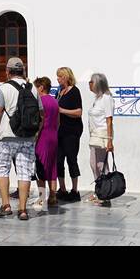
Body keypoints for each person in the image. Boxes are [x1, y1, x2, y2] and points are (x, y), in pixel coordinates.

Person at [0, 57, 42, 221]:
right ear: (23, 71)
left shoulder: (4, 89)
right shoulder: (33, 89)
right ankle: (23, 210)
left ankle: (6, 205)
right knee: (24, 173)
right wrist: (36, 133)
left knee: (2, 169)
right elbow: (41, 114)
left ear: (7, 71)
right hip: (27, 137)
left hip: (6, 137)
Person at [53, 66, 84, 203]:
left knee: (71, 159)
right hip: (59, 131)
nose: (58, 79)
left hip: (71, 131)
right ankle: (63, 189)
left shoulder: (74, 92)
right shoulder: (59, 92)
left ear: (66, 77)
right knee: (59, 160)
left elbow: (78, 112)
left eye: (60, 76)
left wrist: (62, 110)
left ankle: (75, 190)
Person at [85, 72, 115, 205]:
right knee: (93, 164)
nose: (89, 84)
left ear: (97, 83)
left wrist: (109, 140)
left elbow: (109, 120)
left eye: (91, 82)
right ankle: (99, 191)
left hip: (102, 136)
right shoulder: (97, 99)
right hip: (94, 136)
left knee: (101, 165)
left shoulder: (107, 98)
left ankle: (105, 194)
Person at [33, 76, 61, 211]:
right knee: (52, 166)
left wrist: (35, 135)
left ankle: (42, 197)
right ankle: (53, 196)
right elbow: (58, 121)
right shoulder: (55, 102)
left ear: (41, 87)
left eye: (36, 87)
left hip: (42, 137)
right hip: (53, 136)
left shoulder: (40, 101)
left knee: (41, 167)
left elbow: (40, 120)